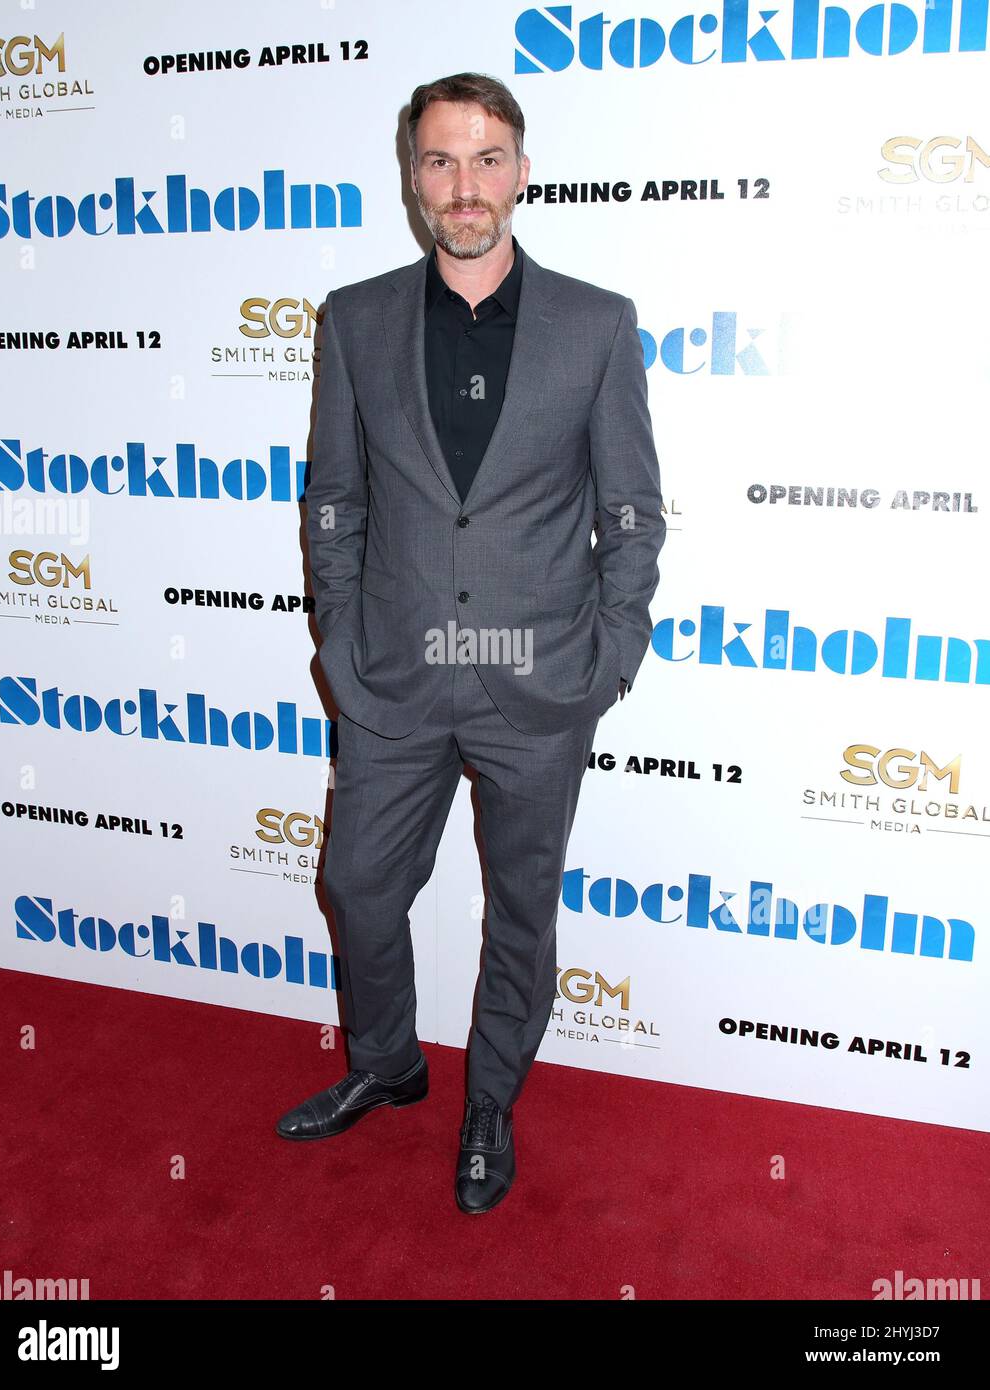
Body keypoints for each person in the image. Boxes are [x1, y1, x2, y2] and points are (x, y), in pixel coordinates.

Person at [277, 72, 666, 1214]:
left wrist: (609, 656)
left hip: (538, 685)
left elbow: (631, 513)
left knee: (520, 907)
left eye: (486, 158)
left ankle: (489, 1098)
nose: (464, 185)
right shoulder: (352, 320)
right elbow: (333, 502)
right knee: (356, 885)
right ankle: (387, 1063)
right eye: (442, 160)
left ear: (521, 172)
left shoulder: (596, 325)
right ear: (412, 176)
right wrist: (338, 641)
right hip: (393, 677)